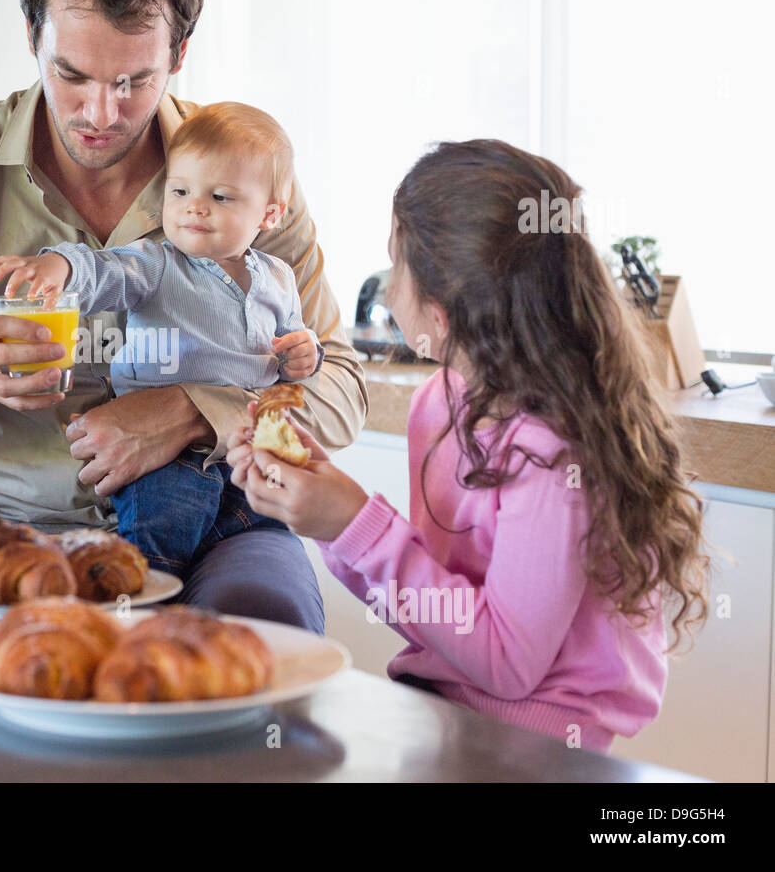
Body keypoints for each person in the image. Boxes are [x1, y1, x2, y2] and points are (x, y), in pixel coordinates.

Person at [0, 0, 368, 634]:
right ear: (33, 39)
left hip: (224, 523)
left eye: (132, 81)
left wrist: (192, 410)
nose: (98, 114)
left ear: (179, 53)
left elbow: (341, 388)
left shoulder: (246, 179)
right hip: (23, 530)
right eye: (70, 74)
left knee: (263, 636)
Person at [228, 138, 710, 751]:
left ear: (441, 311)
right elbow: (442, 604)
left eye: (394, 262)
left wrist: (355, 523)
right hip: (446, 713)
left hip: (528, 747)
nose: (386, 285)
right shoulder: (444, 399)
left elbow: (505, 663)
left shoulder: (549, 451)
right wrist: (328, 512)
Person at [0, 101, 325, 575]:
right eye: (181, 190)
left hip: (245, 450)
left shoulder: (279, 276)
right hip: (163, 459)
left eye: (221, 197)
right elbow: (103, 270)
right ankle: (132, 612)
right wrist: (60, 267)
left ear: (270, 215)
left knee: (261, 526)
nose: (194, 206)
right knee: (156, 555)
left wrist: (305, 354)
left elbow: (291, 346)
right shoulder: (158, 263)